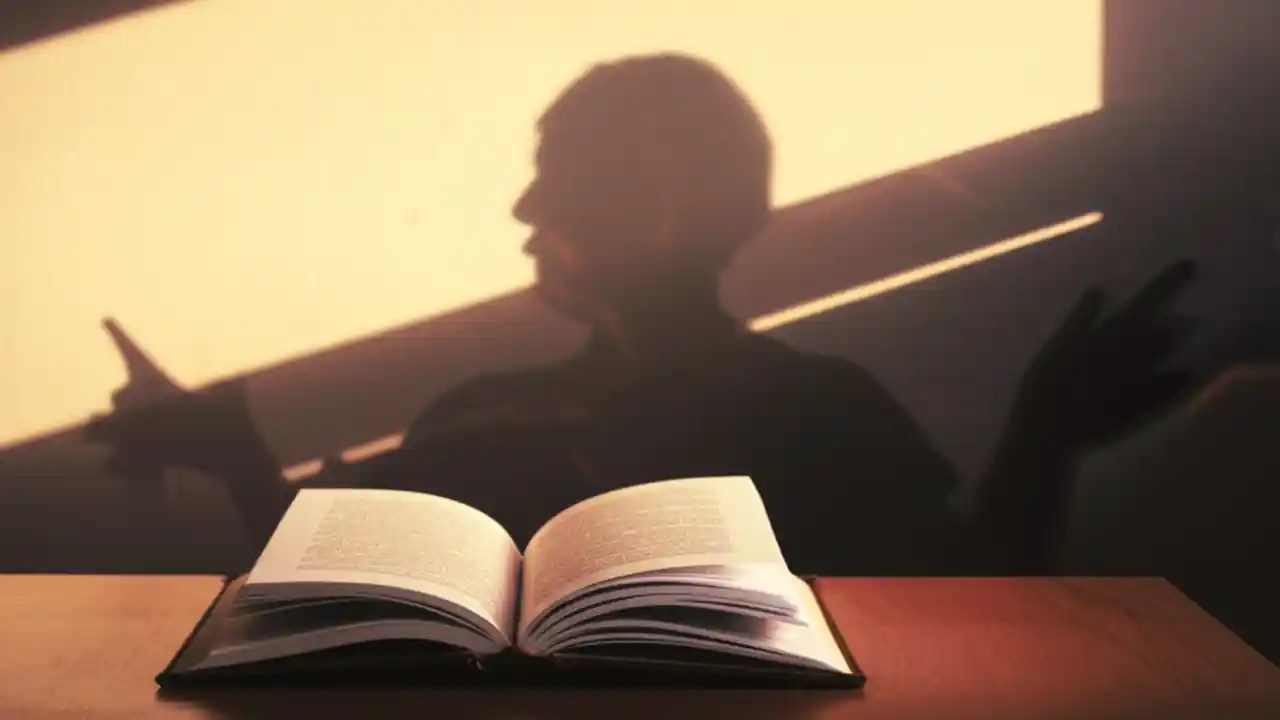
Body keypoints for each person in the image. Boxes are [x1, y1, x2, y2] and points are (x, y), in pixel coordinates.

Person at [86, 53, 1199, 575]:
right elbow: (360, 598)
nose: (523, 206)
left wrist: (1044, 431)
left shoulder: (813, 410)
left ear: (658, 207)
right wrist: (228, 452)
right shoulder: (485, 412)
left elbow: (965, 617)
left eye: (558, 173)